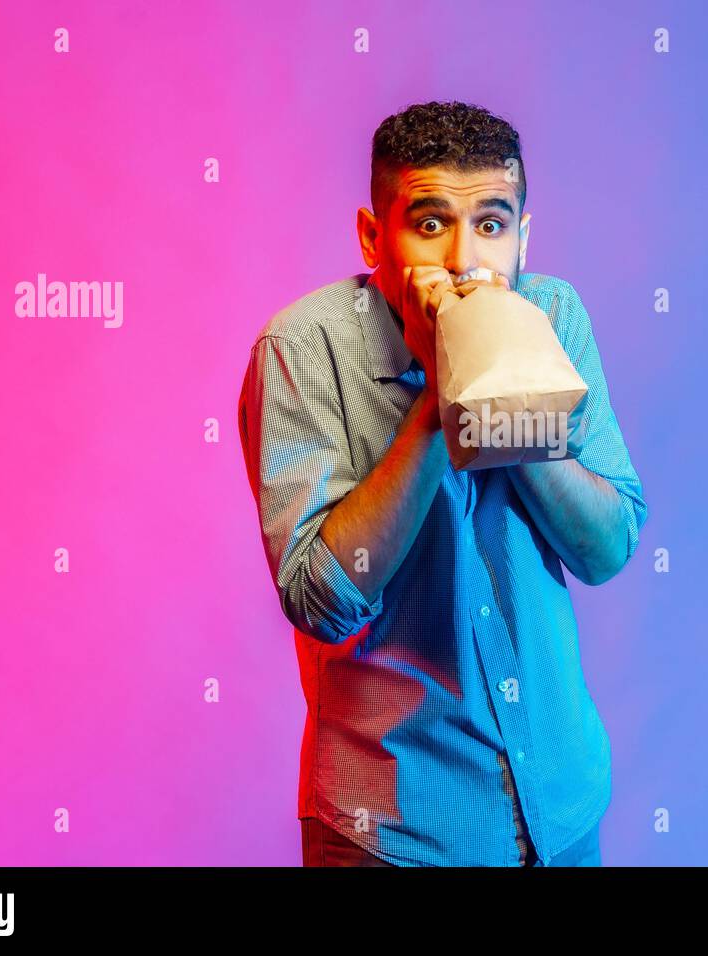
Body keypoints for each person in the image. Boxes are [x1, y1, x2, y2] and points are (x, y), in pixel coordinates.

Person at [237, 101, 647, 866]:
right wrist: (440, 401)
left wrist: (509, 384)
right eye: (430, 224)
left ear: (523, 233)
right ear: (372, 236)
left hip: (560, 808)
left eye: (492, 225)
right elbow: (320, 603)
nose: (465, 259)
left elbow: (607, 546)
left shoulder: (554, 315)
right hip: (396, 833)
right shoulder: (300, 349)